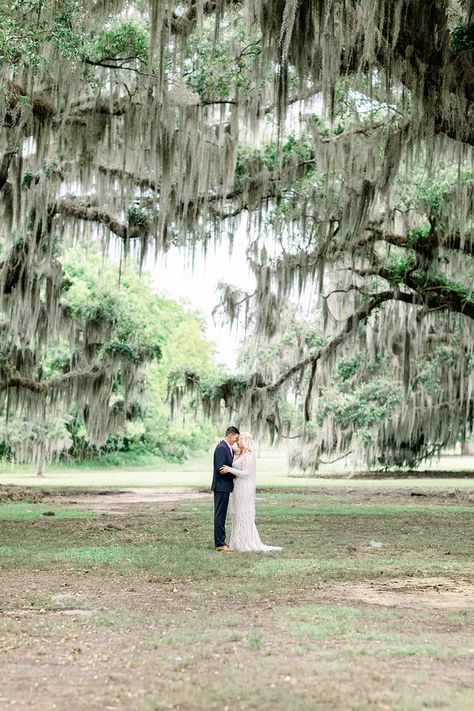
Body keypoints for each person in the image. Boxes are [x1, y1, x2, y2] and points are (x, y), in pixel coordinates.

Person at [220, 432, 282, 552]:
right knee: (237, 513)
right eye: (238, 439)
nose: (238, 441)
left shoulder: (247, 455)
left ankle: (245, 541)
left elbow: (246, 473)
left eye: (241, 440)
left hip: (244, 487)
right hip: (237, 487)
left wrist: (229, 469)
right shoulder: (239, 452)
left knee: (243, 512)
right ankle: (237, 541)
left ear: (247, 441)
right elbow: (227, 444)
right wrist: (221, 440)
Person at [211, 425, 240, 552]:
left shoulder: (227, 447)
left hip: (224, 486)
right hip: (221, 486)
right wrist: (236, 474)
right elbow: (220, 468)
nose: (236, 440)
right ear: (230, 435)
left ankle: (221, 541)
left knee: (221, 515)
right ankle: (220, 544)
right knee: (220, 515)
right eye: (236, 437)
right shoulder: (222, 447)